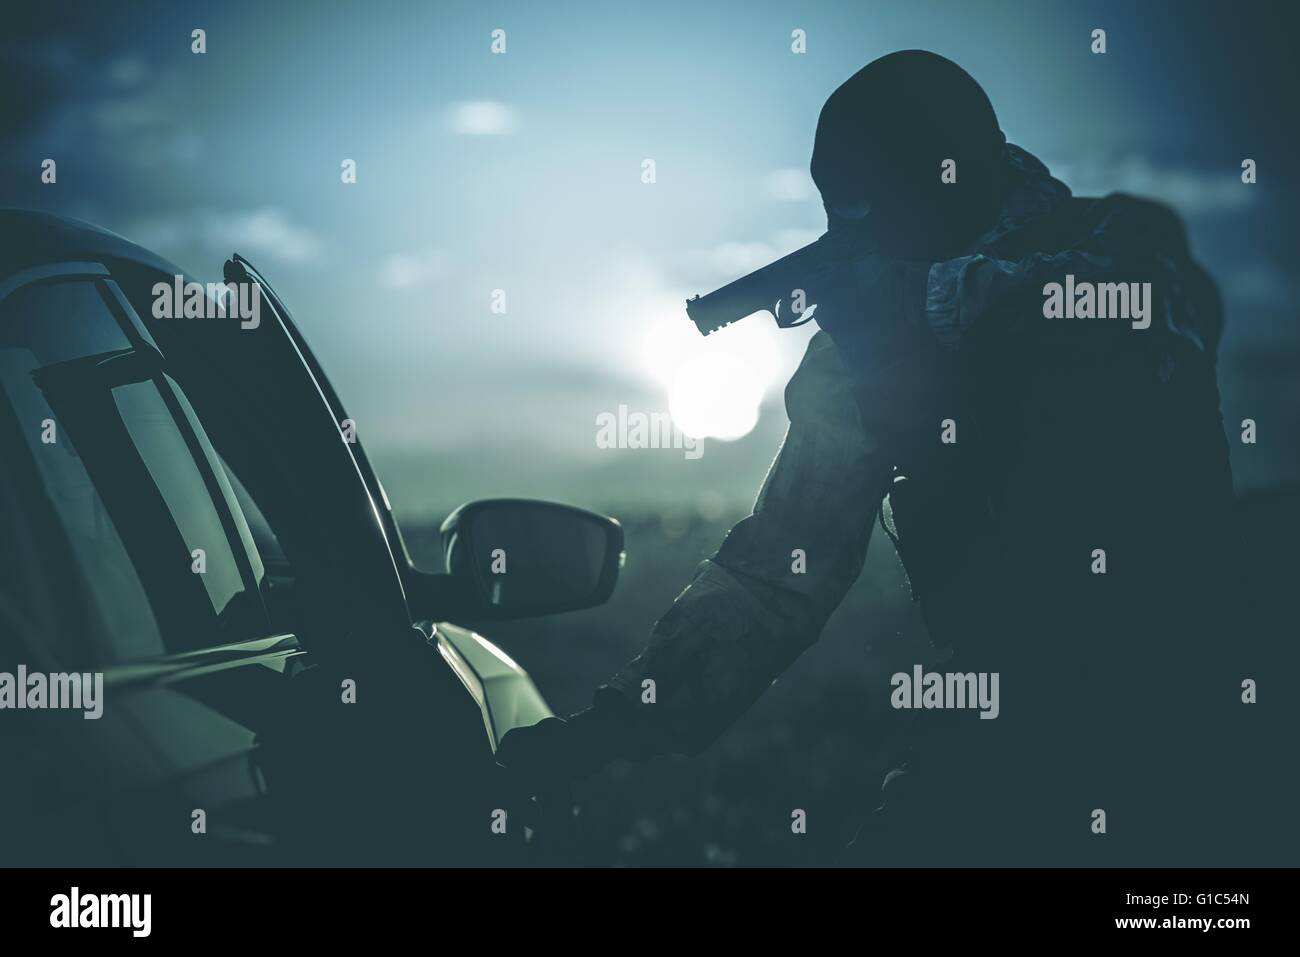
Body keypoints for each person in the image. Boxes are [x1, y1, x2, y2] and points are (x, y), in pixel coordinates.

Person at [498, 50, 1245, 864]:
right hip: (1006, 719)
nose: (848, 241)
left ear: (955, 177)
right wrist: (611, 727)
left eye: (869, 213)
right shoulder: (867, 346)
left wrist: (921, 306)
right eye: (836, 217)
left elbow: (1145, 309)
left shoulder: (1120, 244)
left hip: (1193, 707)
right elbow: (778, 571)